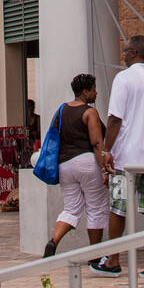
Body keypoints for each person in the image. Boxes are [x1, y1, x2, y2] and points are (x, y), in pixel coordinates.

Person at [89, 35, 144, 281]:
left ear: (135, 52)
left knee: (119, 207)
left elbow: (115, 119)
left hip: (127, 157)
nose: (123, 54)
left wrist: (107, 151)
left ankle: (114, 260)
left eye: (125, 50)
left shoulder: (123, 79)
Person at [42, 74, 109, 259]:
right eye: (94, 89)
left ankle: (53, 241)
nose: (96, 93)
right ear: (85, 91)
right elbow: (96, 143)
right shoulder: (90, 112)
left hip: (65, 166)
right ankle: (95, 254)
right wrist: (104, 168)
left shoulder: (62, 110)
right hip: (86, 162)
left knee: (71, 208)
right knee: (95, 207)